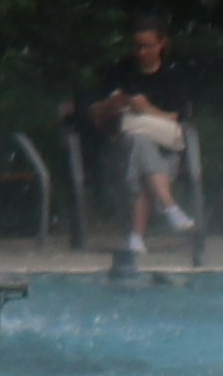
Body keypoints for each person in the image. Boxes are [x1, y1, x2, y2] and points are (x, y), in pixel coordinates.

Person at [71, 21, 200, 248]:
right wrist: (110, 104)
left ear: (162, 44)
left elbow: (177, 119)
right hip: (119, 153)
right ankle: (169, 208)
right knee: (137, 143)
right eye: (136, 46)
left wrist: (145, 109)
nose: (140, 52)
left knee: (139, 151)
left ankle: (136, 238)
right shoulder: (119, 72)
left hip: (163, 153)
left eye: (146, 46)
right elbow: (89, 111)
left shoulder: (173, 75)